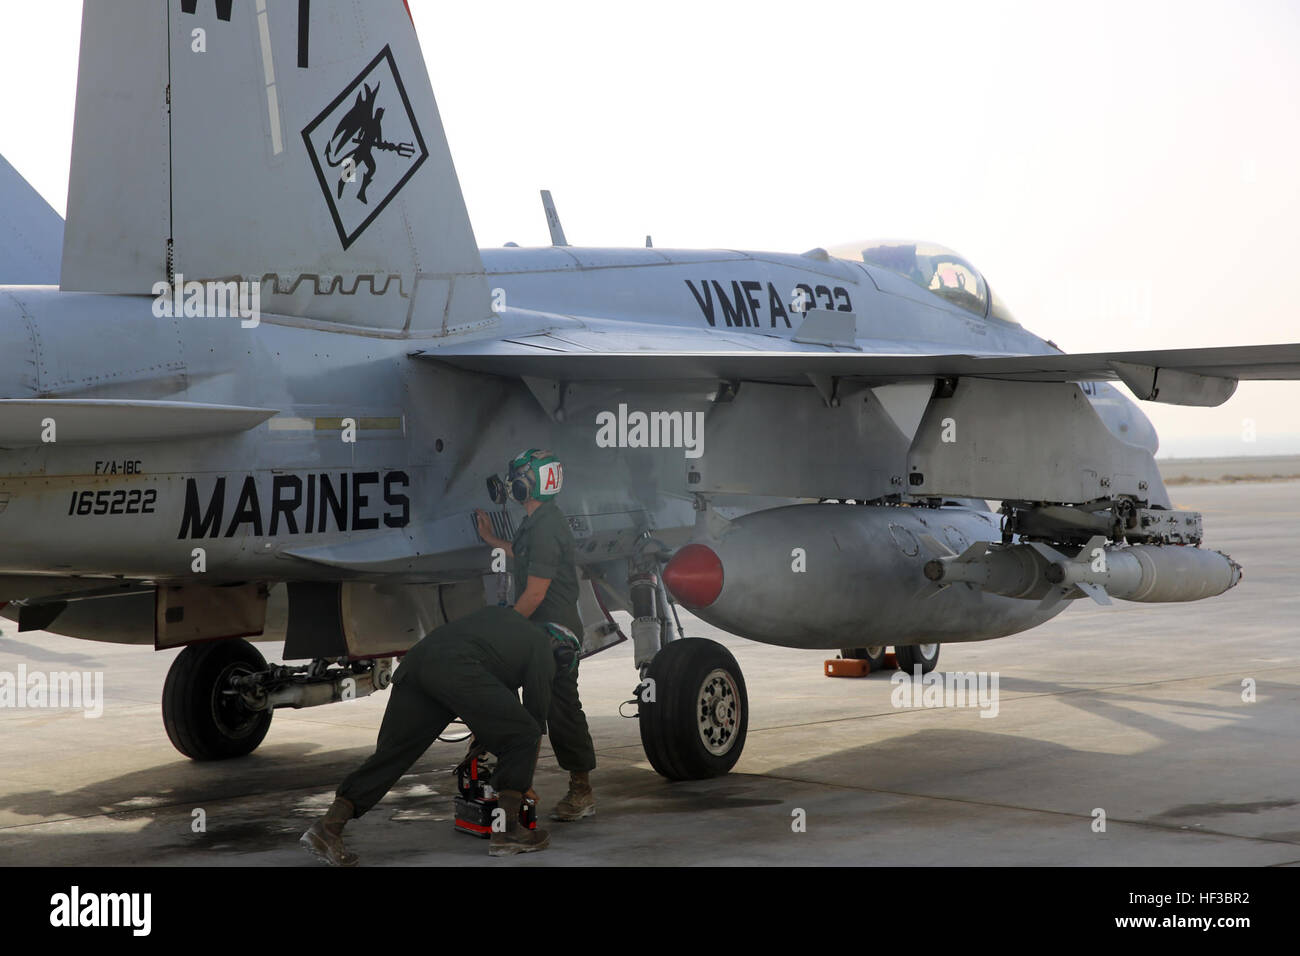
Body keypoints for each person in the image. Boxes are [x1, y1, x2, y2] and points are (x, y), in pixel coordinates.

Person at [300, 605, 579, 864]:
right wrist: (520, 780)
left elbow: (495, 711)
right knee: (525, 734)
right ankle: (507, 833)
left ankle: (328, 827)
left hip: (418, 663)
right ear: (560, 649)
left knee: (394, 754)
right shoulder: (544, 647)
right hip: (457, 669)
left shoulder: (505, 628)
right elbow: (532, 720)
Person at [475, 449, 597, 822]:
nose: (512, 483)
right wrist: (494, 540)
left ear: (529, 483)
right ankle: (512, 782)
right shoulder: (538, 520)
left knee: (559, 709)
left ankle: (579, 791)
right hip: (539, 629)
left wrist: (504, 628)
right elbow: (526, 554)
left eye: (517, 477)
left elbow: (535, 594)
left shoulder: (545, 526)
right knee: (532, 705)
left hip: (554, 633)